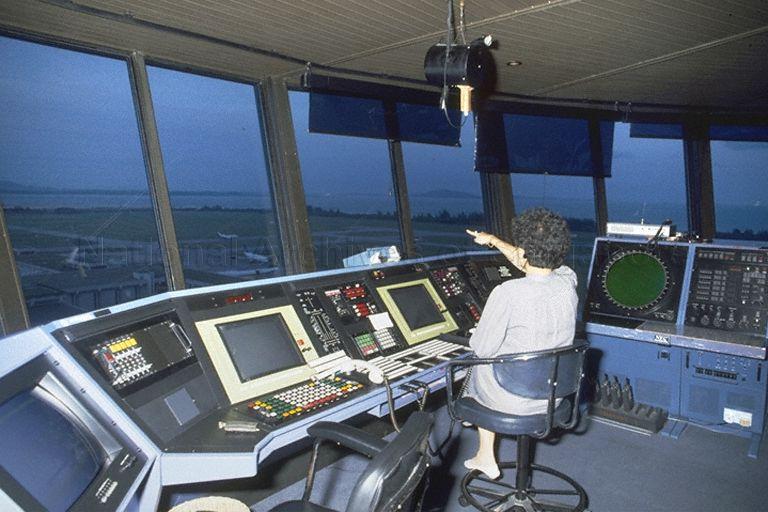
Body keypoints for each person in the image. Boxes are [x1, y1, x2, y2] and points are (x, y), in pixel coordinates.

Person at [463, 207, 578, 480]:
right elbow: (531, 261)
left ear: (524, 251)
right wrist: (493, 240)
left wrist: (476, 331)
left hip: (513, 399)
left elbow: (482, 348)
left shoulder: (506, 293)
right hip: (554, 393)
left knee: (478, 363)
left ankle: (483, 447)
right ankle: (483, 448)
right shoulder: (568, 280)